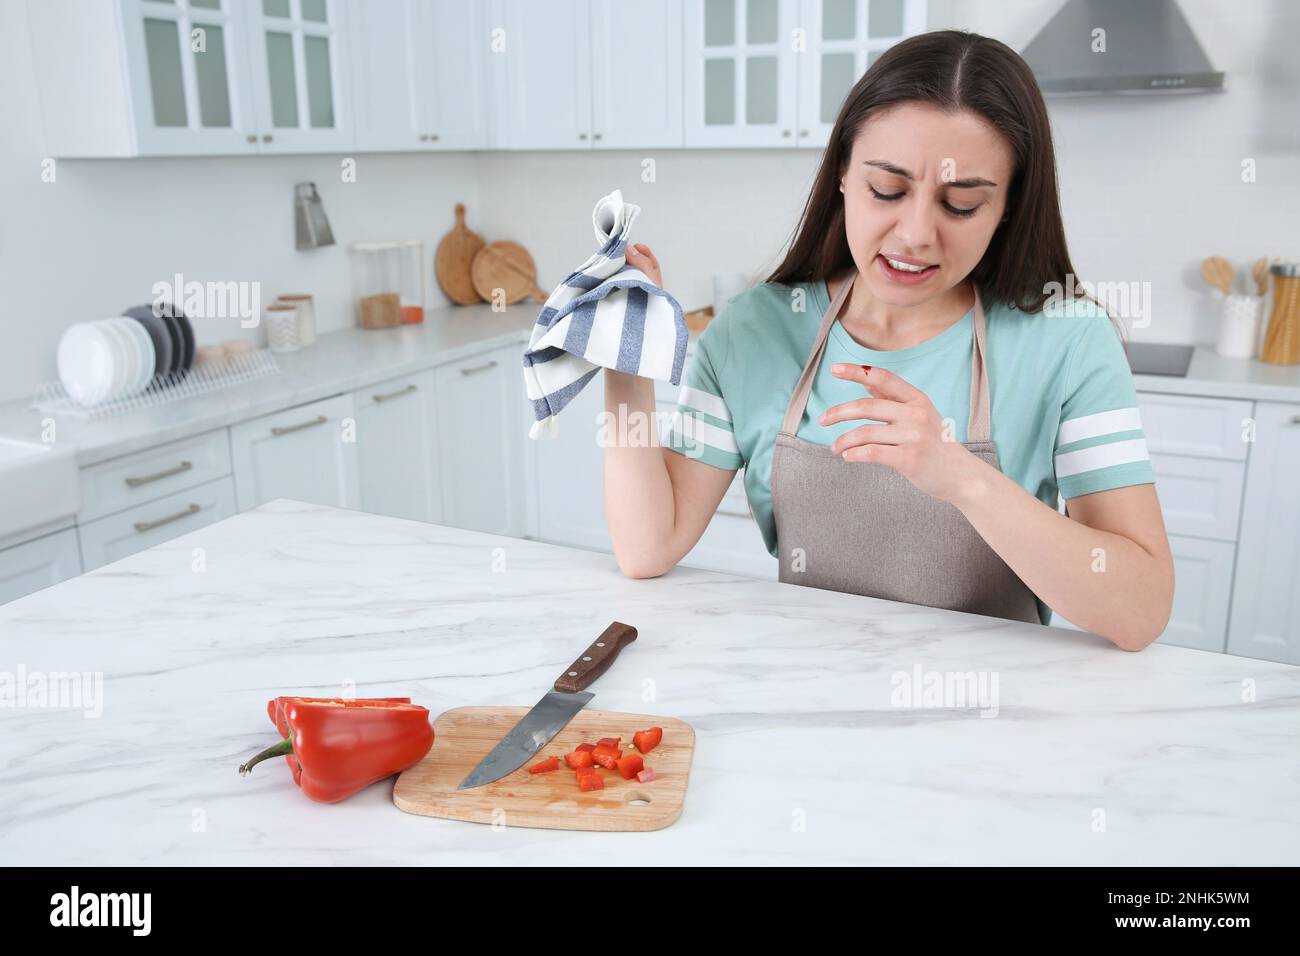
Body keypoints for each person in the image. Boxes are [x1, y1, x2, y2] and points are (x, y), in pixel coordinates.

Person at [604, 30, 1174, 651]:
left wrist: (962, 478)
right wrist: (626, 358)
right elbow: (646, 548)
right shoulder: (755, 330)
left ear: (1007, 207)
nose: (915, 233)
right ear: (843, 175)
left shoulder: (1066, 342)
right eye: (887, 190)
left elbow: (1140, 610)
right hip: (808, 690)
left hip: (992, 717)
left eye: (960, 204)